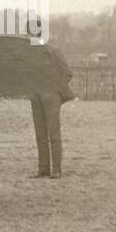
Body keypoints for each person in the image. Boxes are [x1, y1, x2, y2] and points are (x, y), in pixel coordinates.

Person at [30, 45, 75, 179]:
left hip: (51, 96)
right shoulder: (29, 53)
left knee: (53, 134)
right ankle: (43, 169)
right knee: (40, 134)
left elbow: (67, 73)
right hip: (35, 96)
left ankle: (56, 170)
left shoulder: (54, 51)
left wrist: (55, 89)